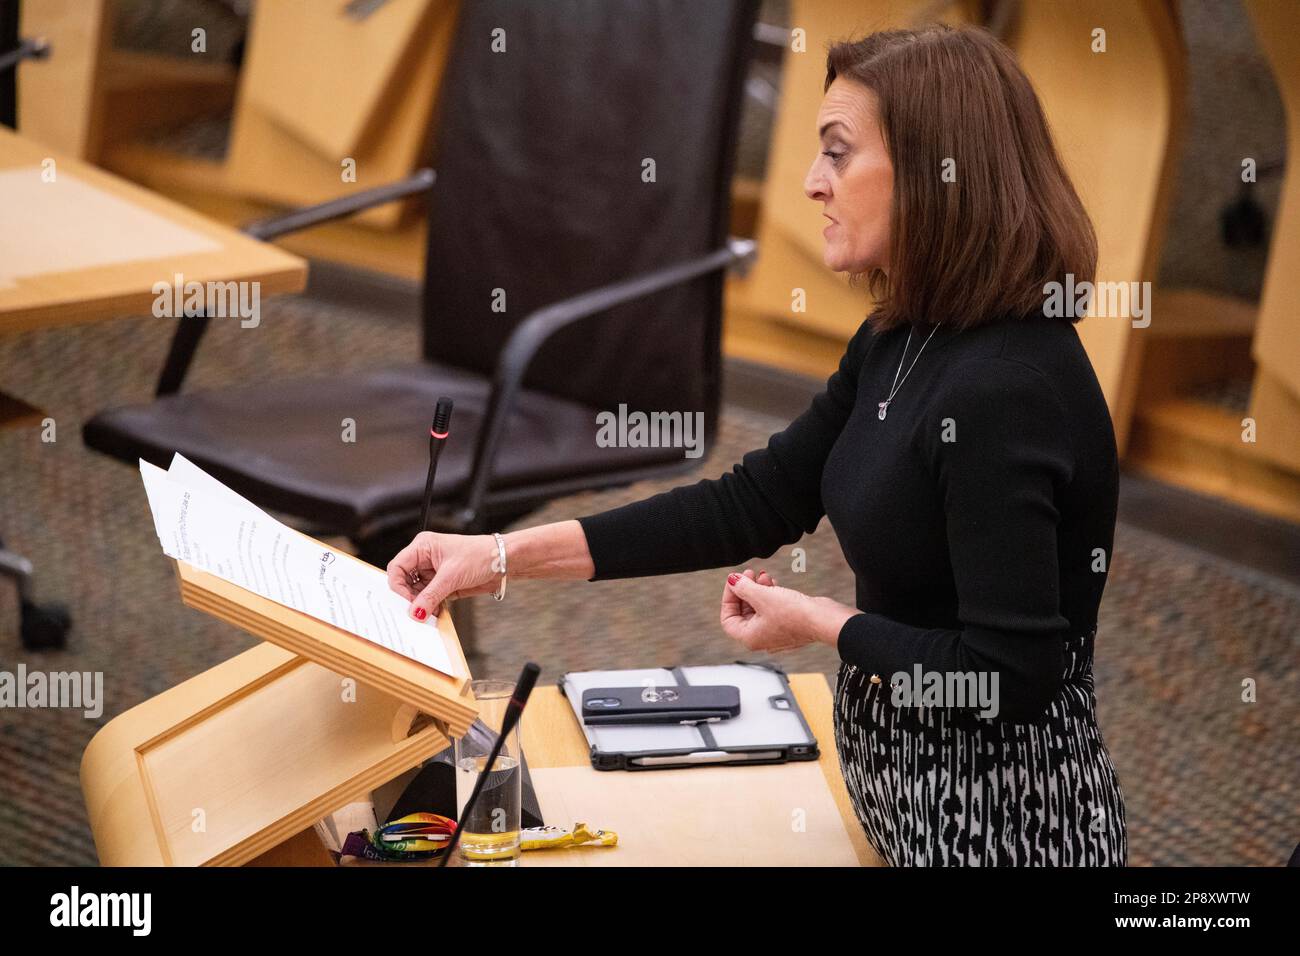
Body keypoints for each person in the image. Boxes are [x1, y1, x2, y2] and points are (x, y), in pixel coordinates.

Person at [387, 25, 1127, 867]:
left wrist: (820, 620)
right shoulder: (904, 337)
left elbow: (1006, 678)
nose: (812, 184)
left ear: (933, 175)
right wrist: (497, 556)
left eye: (839, 155)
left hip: (1002, 838)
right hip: (901, 810)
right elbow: (753, 500)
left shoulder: (1006, 390)